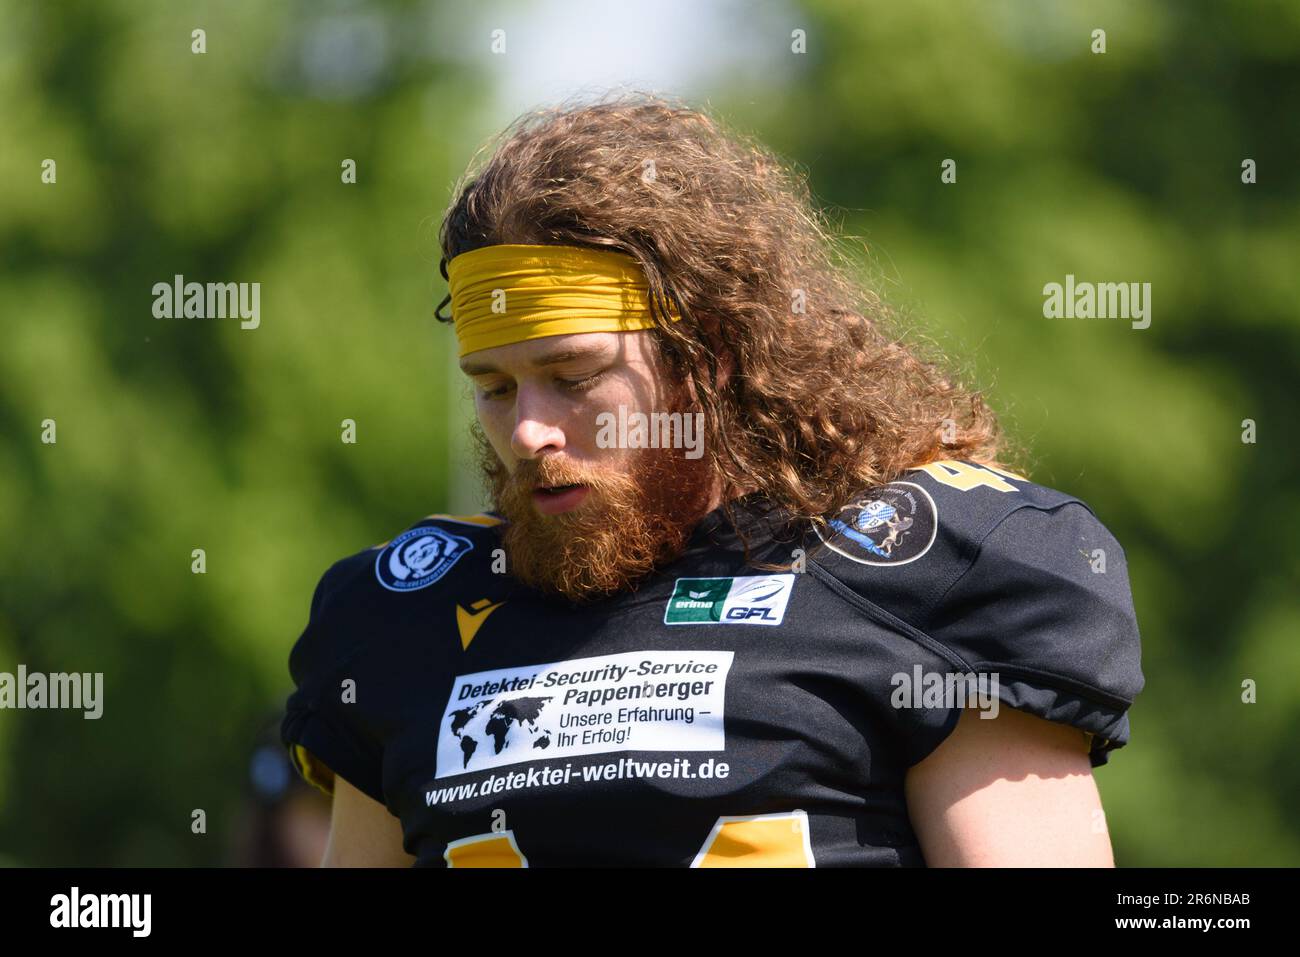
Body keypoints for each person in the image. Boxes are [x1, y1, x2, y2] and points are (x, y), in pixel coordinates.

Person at [280, 92, 1144, 867]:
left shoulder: (923, 576)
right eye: (495, 388)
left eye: (575, 376)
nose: (529, 430)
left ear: (711, 357)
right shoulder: (407, 622)